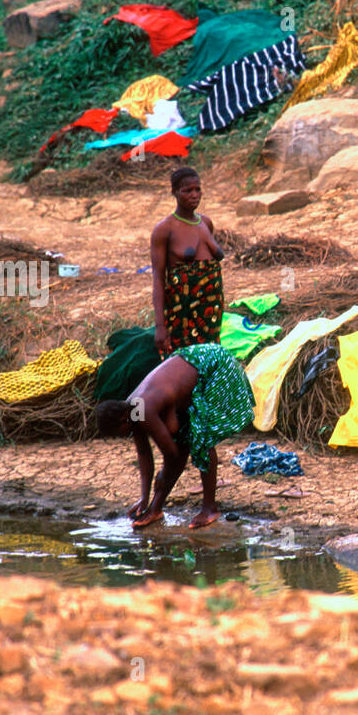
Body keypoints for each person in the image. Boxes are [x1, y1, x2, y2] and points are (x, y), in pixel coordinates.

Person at [94, 342, 254, 530]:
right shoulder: (132, 409)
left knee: (201, 440)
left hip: (213, 365)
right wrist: (144, 498)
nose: (122, 436)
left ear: (122, 420)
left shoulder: (142, 408)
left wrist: (162, 477)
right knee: (180, 437)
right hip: (192, 368)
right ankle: (155, 509)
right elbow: (144, 454)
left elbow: (172, 454)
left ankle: (210, 507)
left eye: (118, 433)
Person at [150, 167, 226, 358]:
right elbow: (158, 279)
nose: (194, 195)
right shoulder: (164, 229)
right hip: (183, 317)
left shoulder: (206, 223)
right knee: (185, 364)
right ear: (174, 192)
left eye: (197, 189)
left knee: (209, 361)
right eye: (187, 191)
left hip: (211, 313)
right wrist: (160, 326)